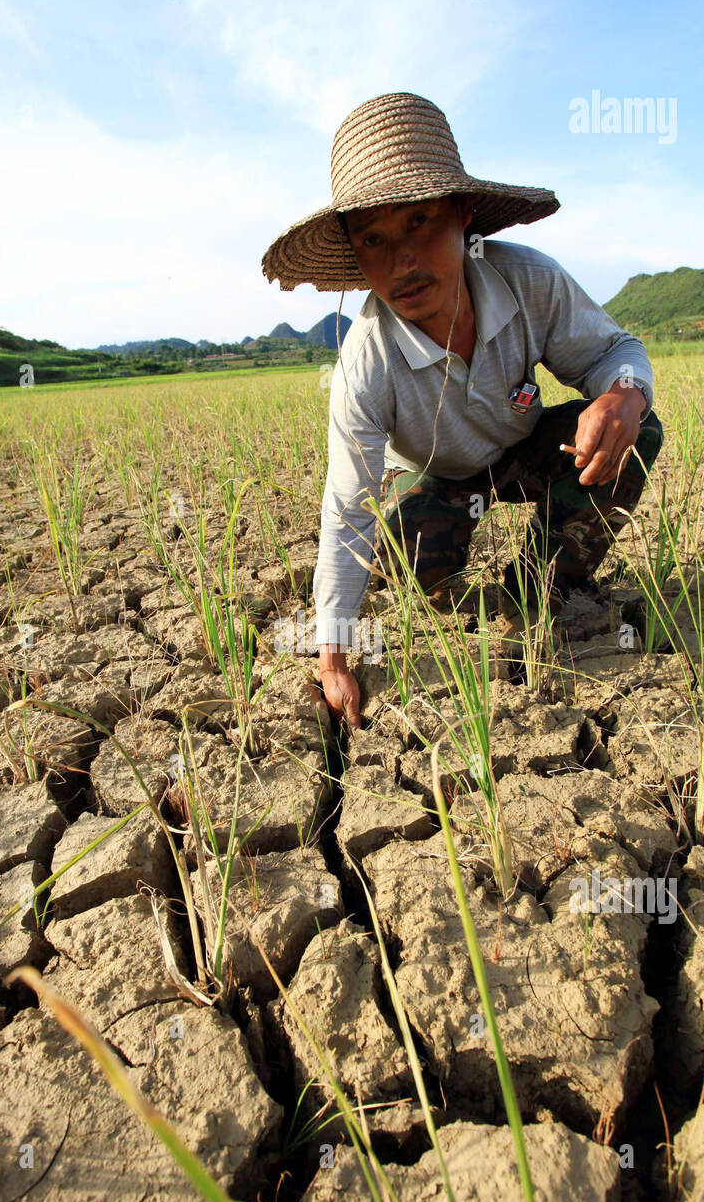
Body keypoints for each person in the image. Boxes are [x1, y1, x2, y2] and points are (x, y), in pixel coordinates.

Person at [261, 92, 664, 730]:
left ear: (463, 214)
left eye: (419, 222)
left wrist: (622, 395)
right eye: (374, 240)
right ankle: (447, 572)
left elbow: (616, 351)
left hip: (523, 451)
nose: (402, 263)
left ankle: (537, 586)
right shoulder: (366, 358)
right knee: (399, 548)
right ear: (355, 253)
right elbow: (346, 510)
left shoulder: (530, 283)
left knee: (636, 431)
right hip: (434, 477)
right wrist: (334, 654)